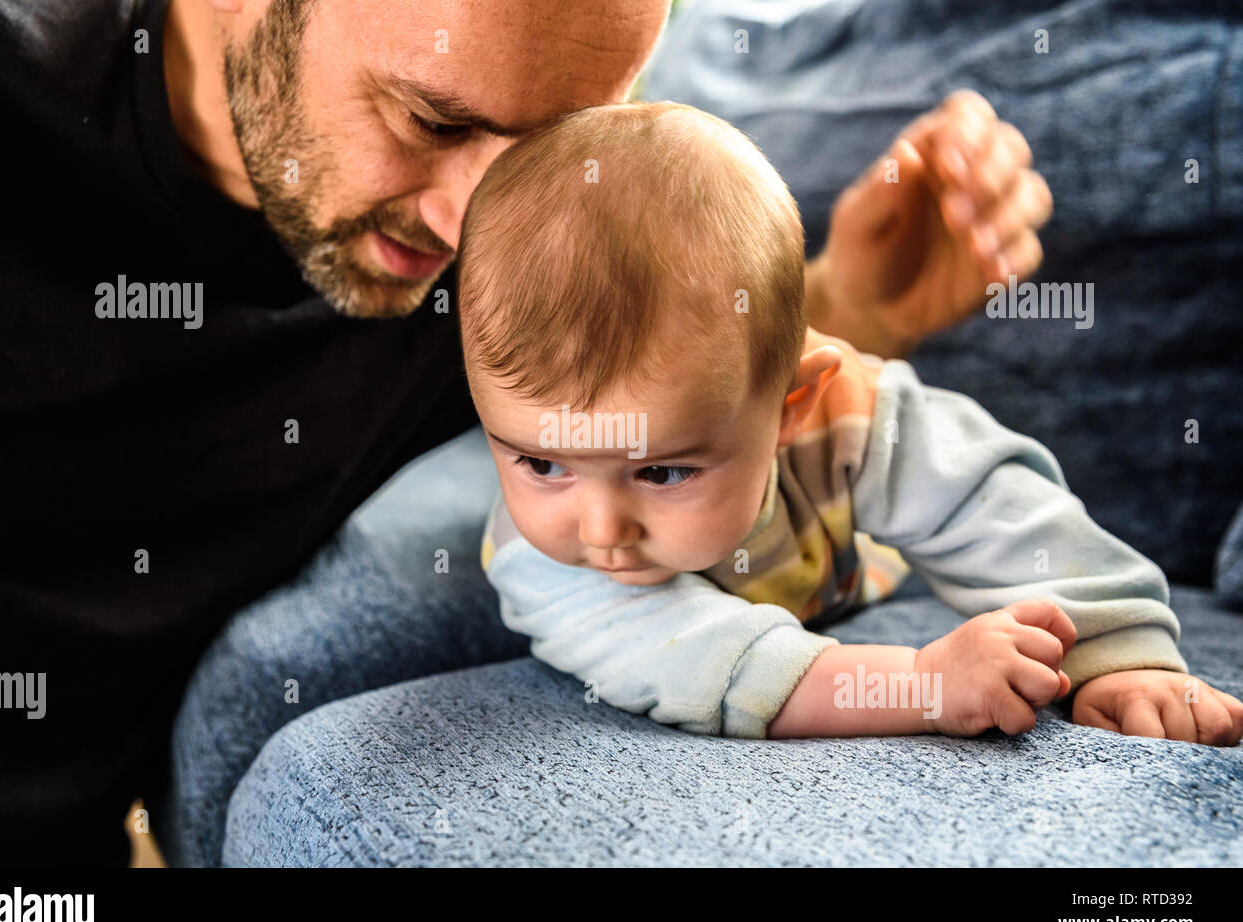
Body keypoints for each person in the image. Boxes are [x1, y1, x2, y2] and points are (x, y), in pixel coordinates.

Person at [0, 0, 1053, 865]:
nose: (481, 229)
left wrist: (856, 303)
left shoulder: (519, 246)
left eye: (556, 144)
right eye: (432, 121)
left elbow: (656, 422)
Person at [461, 101, 1243, 744]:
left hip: (864, 563)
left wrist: (1121, 654)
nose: (601, 529)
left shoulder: (846, 415)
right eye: (542, 463)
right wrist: (923, 684)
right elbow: (718, 667)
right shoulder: (542, 562)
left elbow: (994, 501)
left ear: (791, 406)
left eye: (661, 471)